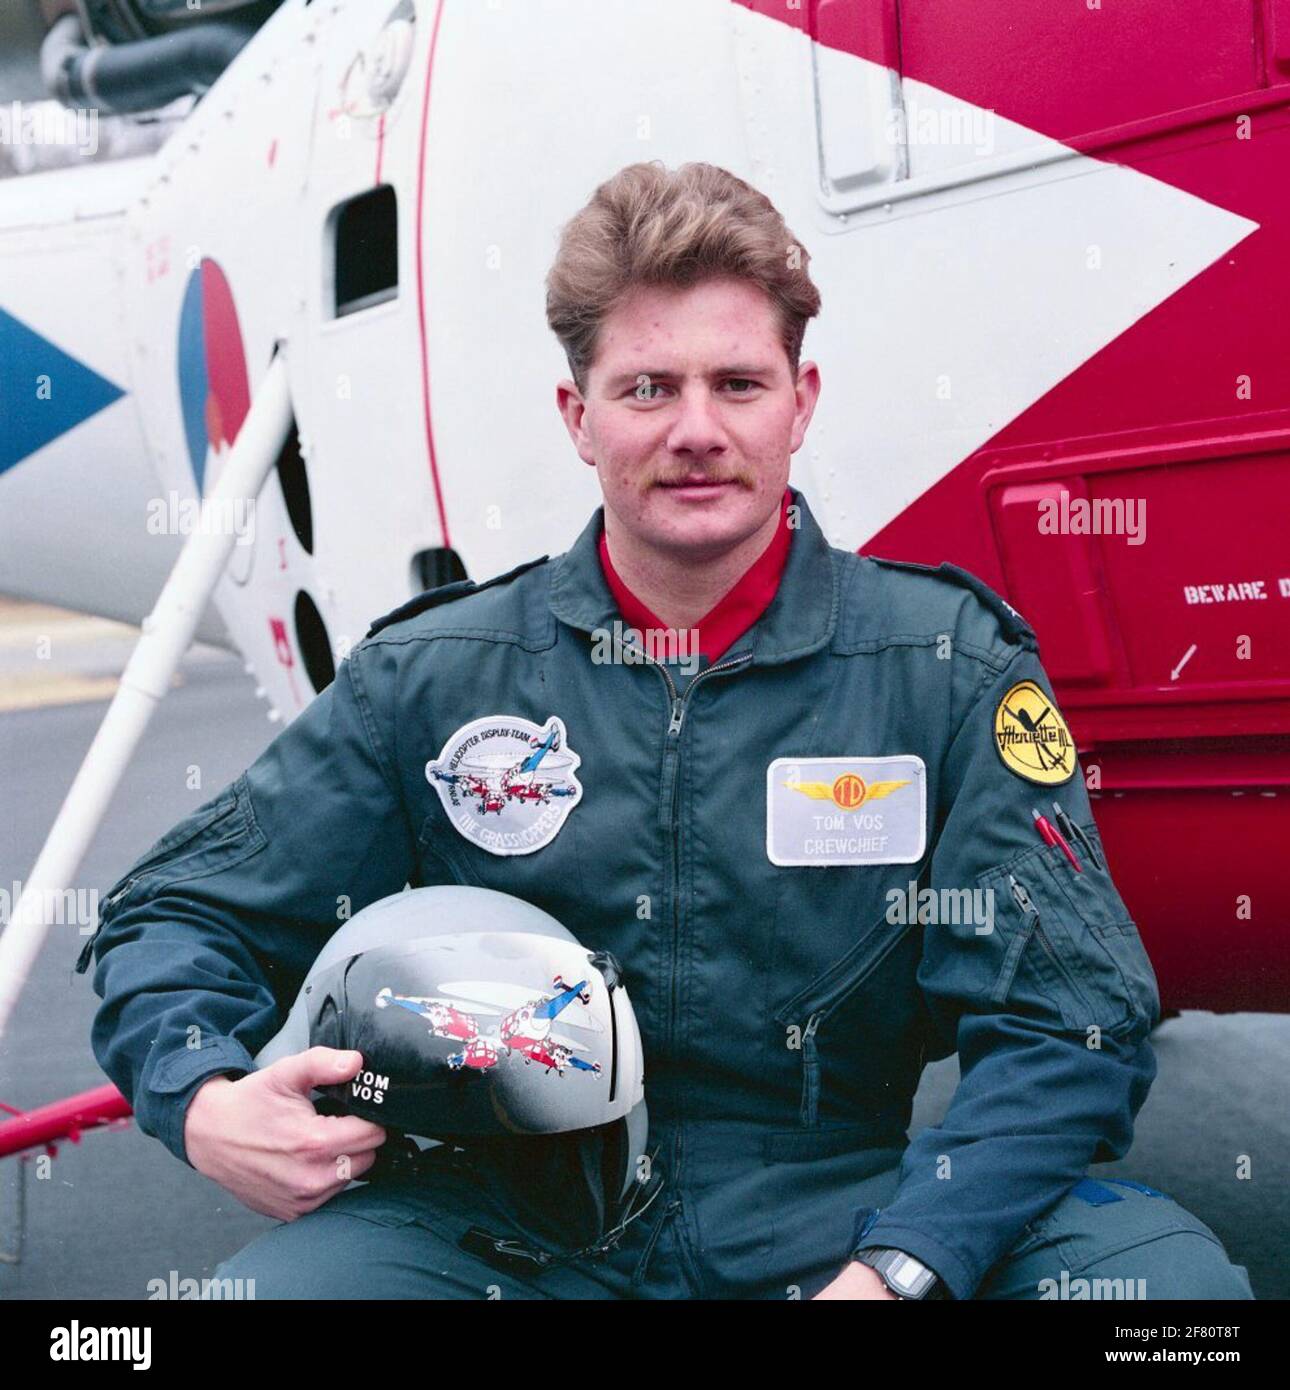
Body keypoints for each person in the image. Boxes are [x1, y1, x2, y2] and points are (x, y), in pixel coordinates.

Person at [78, 160, 1253, 1301]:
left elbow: (1071, 1024)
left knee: (1163, 1295)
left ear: (802, 403)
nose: (696, 428)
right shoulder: (436, 678)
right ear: (578, 417)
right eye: (647, 389)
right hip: (507, 1227)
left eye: (738, 384)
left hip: (842, 1205)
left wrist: (905, 1268)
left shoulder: (945, 669)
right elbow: (173, 914)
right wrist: (206, 1097)